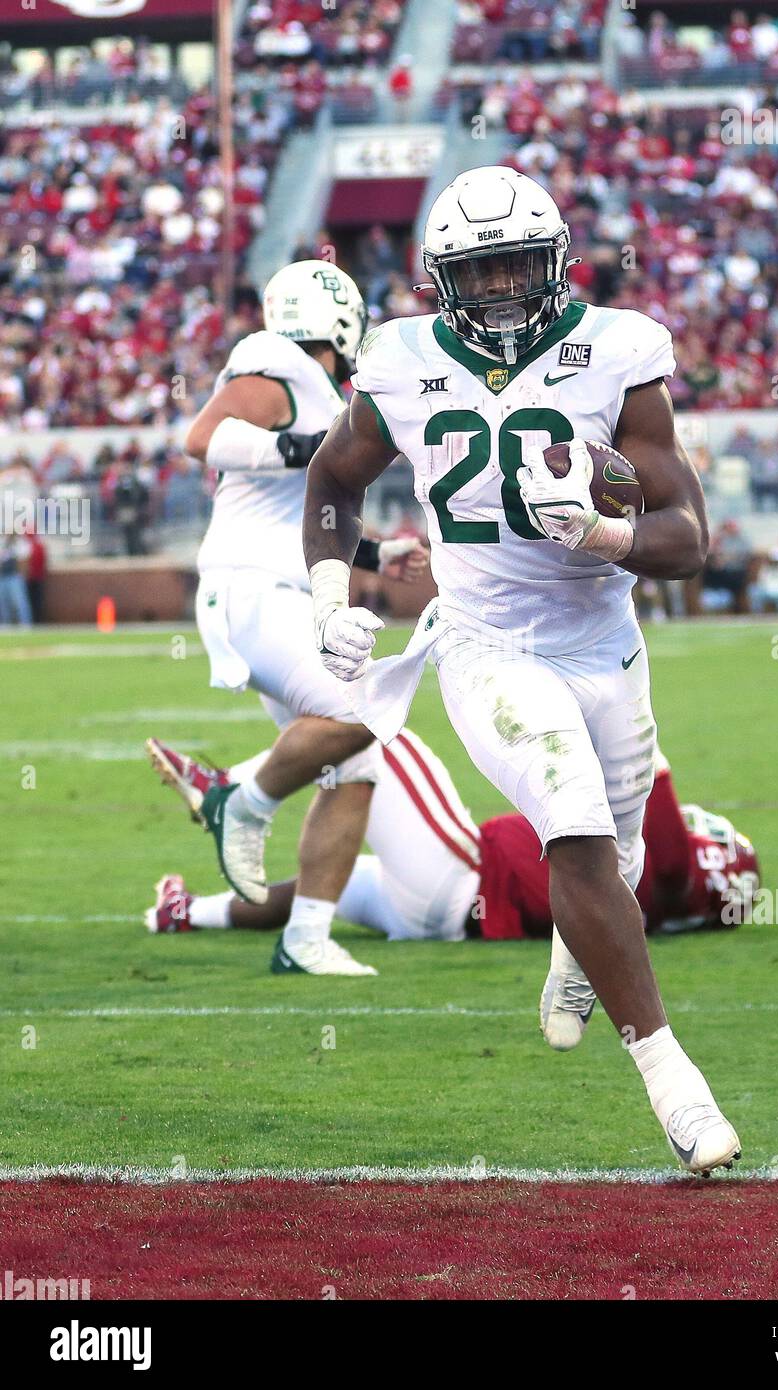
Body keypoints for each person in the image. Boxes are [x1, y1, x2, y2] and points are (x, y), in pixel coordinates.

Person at [299, 166, 740, 1173]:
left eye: (516, 266)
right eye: (479, 270)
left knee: (617, 850)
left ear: (555, 263)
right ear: (440, 278)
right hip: (486, 647)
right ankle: (675, 1083)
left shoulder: (616, 350)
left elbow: (687, 537)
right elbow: (334, 473)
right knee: (575, 826)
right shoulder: (402, 360)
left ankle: (575, 952)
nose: (500, 287)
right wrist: (332, 593)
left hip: (605, 648)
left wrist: (595, 530)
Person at [173, 259, 427, 975]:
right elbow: (203, 438)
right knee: (367, 711)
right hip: (252, 591)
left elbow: (298, 515)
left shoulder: (310, 386)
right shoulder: (274, 360)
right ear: (337, 319)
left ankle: (306, 937)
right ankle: (237, 798)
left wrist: (374, 555)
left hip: (276, 591)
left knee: (356, 763)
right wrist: (304, 447)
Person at [146, 738, 761, 951]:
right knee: (331, 885)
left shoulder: (672, 870)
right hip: (448, 910)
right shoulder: (654, 895)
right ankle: (186, 913)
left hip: (462, 875)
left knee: (375, 736)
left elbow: (642, 759)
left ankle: (230, 791)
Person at [747, 545, 778, 613]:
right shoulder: (765, 568)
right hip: (766, 592)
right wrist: (768, 590)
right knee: (753, 590)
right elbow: (761, 582)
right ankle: (757, 616)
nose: (776, 562)